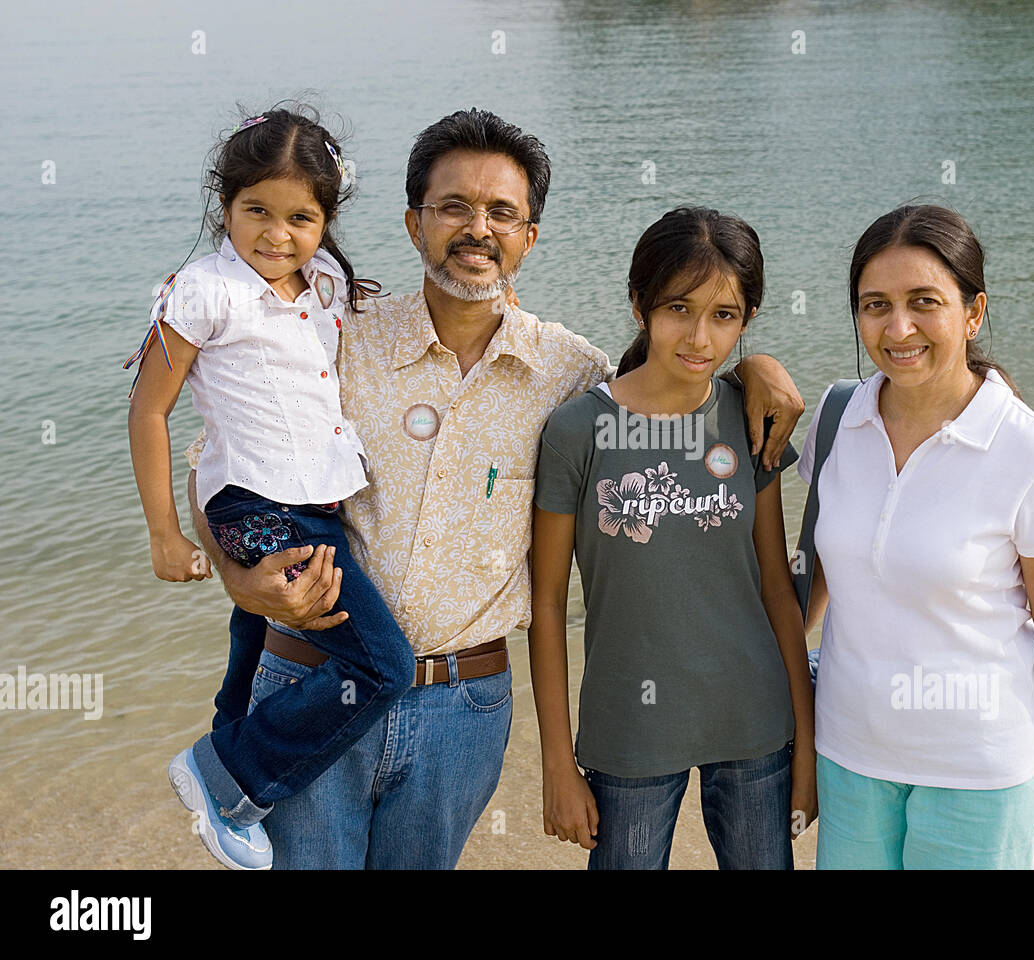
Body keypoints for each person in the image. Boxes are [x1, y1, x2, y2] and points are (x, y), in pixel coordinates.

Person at [183, 109, 806, 868]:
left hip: (462, 706)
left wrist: (756, 370)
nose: (478, 229)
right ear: (414, 224)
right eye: (454, 207)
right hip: (316, 683)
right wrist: (236, 575)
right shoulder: (335, 337)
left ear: (529, 237)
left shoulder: (571, 373)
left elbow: (677, 371)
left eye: (502, 212)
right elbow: (217, 459)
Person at [125, 105, 414, 870]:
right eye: (257, 210)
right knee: (385, 665)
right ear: (226, 205)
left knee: (254, 645)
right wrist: (164, 534)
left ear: (326, 220)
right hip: (255, 504)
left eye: (300, 217)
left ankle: (227, 747)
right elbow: (148, 409)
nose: (276, 235)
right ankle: (231, 779)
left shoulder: (320, 283)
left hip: (315, 502)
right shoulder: (204, 290)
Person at [801, 204, 1034, 870]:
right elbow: (817, 581)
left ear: (973, 312)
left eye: (923, 302)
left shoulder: (1033, 453)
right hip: (850, 761)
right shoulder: (836, 416)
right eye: (875, 304)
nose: (897, 327)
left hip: (982, 776)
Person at [530, 207, 817, 870]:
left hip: (755, 723)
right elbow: (545, 604)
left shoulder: (752, 421)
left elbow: (777, 588)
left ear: (746, 321)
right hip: (628, 728)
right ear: (639, 305)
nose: (699, 337)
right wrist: (557, 762)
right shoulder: (578, 431)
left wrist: (804, 744)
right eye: (678, 308)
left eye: (725, 315)